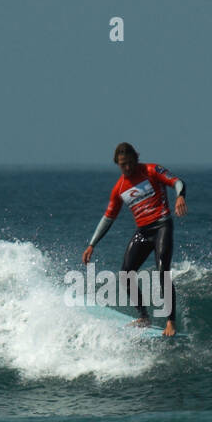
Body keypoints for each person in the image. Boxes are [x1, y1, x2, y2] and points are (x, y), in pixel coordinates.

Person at [81, 142, 187, 336]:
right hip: (143, 231)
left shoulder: (151, 170)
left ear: (136, 158)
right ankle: (144, 317)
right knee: (125, 274)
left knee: (162, 271)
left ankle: (171, 322)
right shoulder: (119, 188)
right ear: (118, 164)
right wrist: (91, 244)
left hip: (162, 225)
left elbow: (177, 182)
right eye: (123, 165)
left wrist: (180, 196)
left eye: (130, 163)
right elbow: (108, 217)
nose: (128, 168)